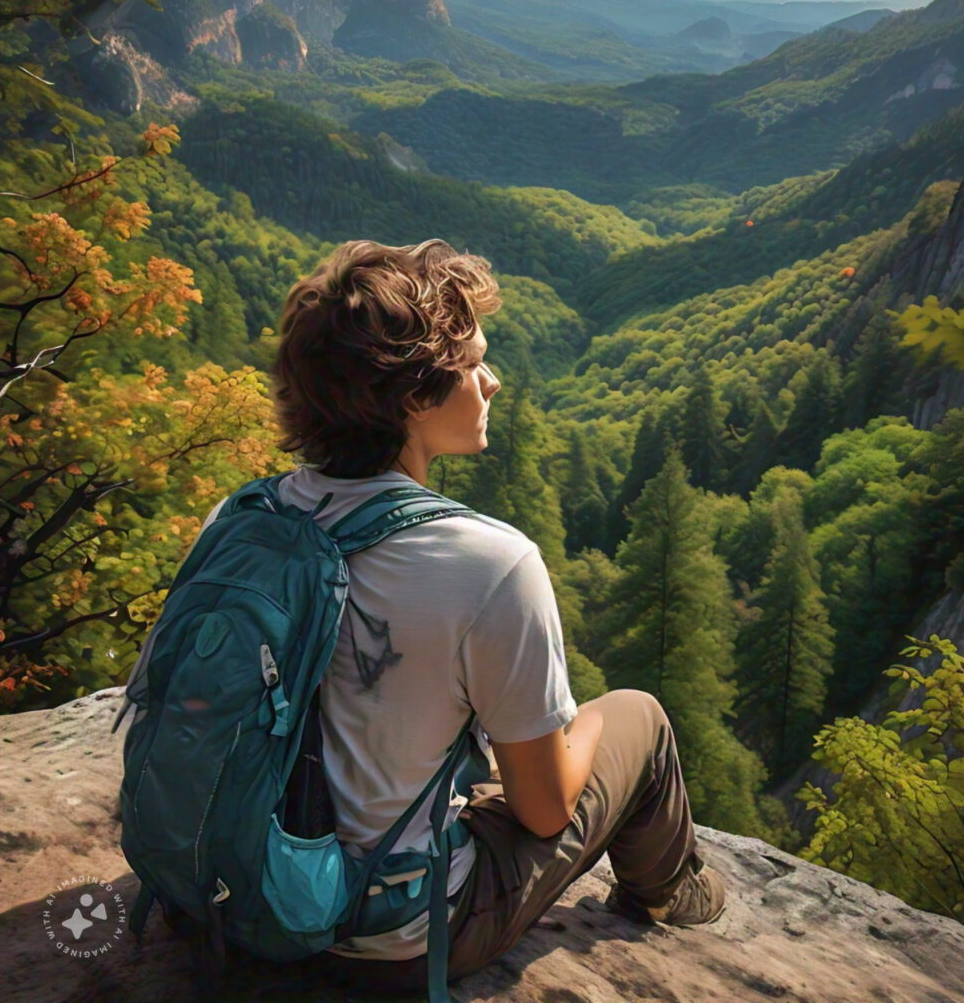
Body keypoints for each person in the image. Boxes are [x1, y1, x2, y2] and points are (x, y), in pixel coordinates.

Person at [260, 238, 725, 991]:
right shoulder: (489, 563)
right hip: (387, 936)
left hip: (240, 888)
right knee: (637, 714)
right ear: (413, 396)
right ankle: (673, 894)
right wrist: (581, 730)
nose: (493, 381)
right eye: (473, 363)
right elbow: (545, 813)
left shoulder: (243, 519)